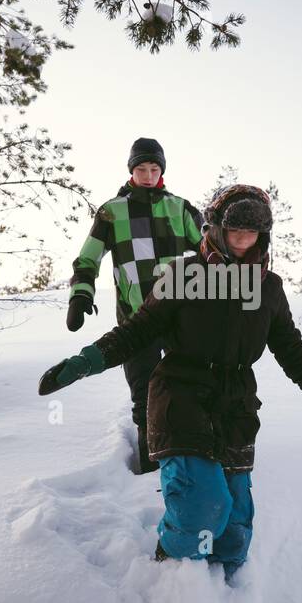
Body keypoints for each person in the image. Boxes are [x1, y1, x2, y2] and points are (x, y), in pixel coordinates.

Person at [40, 184, 302, 585]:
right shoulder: (185, 274)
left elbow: (294, 354)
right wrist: (83, 362)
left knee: (234, 532)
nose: (244, 240)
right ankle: (165, 571)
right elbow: (137, 331)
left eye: (253, 233)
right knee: (203, 509)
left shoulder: (268, 288)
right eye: (235, 230)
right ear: (216, 228)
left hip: (236, 405)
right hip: (181, 393)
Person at [65, 137, 204, 474]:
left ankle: (186, 462)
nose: (147, 174)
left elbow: (210, 253)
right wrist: (81, 294)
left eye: (154, 168)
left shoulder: (181, 208)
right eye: (141, 168)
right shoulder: (113, 211)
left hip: (178, 316)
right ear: (131, 170)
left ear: (162, 171)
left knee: (184, 389)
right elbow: (88, 257)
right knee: (143, 394)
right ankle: (148, 468)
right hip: (137, 318)